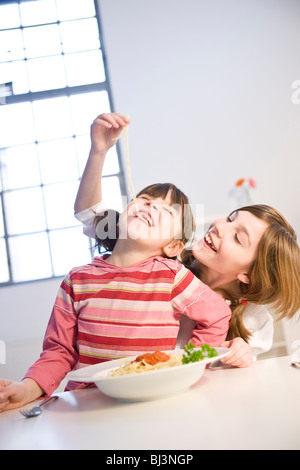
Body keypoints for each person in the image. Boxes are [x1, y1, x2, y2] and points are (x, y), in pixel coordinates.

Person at [74, 113, 300, 368]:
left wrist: (241, 353)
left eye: (237, 237)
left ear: (248, 274)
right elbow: (89, 213)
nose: (218, 226)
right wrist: (99, 152)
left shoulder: (252, 322)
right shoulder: (154, 256)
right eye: (229, 218)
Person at [0, 167, 232, 412]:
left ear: (173, 246)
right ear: (121, 217)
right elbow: (59, 352)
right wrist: (27, 389)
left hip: (153, 400)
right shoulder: (77, 279)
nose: (151, 206)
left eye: (165, 210)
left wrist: (187, 365)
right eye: (145, 200)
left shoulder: (172, 275)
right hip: (88, 406)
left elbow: (218, 314)